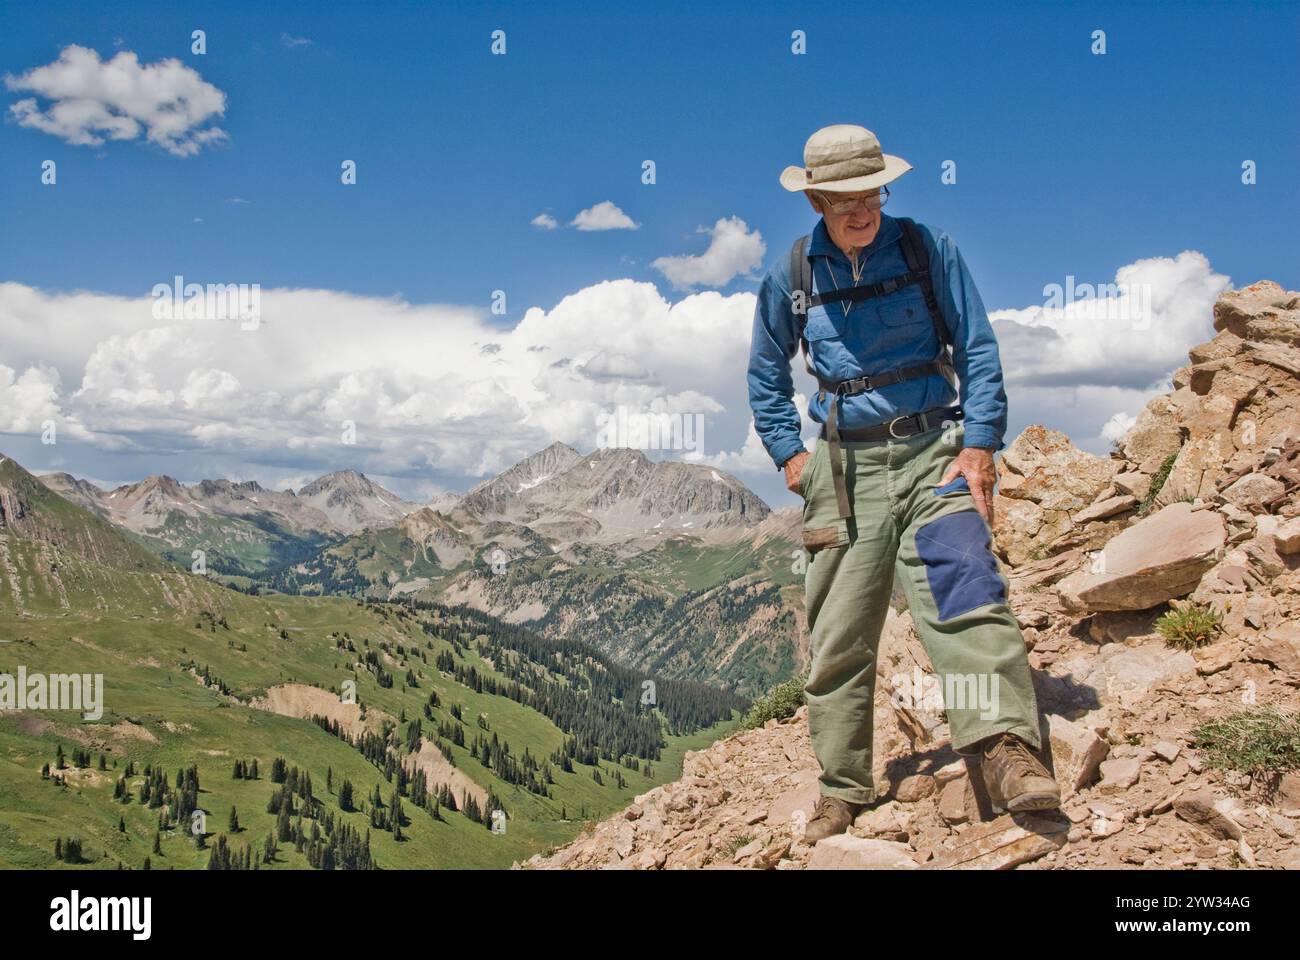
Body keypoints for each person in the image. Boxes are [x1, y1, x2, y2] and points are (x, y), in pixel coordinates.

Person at [747, 124, 1061, 842]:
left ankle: (1008, 750)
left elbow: (977, 348)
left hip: (933, 454)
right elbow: (766, 372)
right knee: (839, 634)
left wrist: (980, 446)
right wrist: (790, 457)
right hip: (841, 471)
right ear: (816, 200)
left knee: (967, 594)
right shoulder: (792, 274)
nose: (864, 211)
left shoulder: (927, 249)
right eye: (846, 200)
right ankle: (843, 788)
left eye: (873, 194)